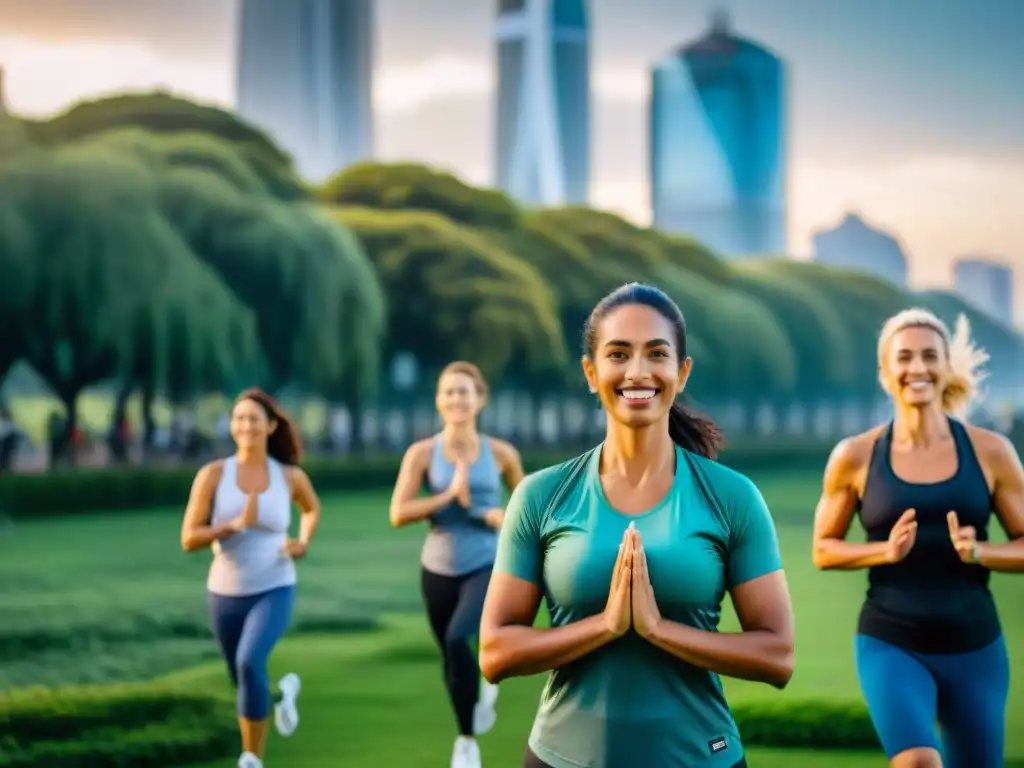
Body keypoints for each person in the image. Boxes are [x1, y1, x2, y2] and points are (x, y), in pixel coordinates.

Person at [479, 283, 795, 768]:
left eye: (656, 354)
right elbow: (496, 652)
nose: (638, 372)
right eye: (618, 354)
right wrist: (605, 626)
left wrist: (657, 629)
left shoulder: (733, 498)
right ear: (591, 372)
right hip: (562, 758)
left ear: (681, 372)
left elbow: (777, 657)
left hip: (700, 758)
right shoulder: (541, 497)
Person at [811, 309, 1024, 768]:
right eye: (904, 357)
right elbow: (823, 548)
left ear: (947, 366)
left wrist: (979, 552)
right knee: (918, 762)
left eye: (930, 356)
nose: (917, 368)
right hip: (892, 642)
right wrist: (884, 552)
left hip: (976, 647)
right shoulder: (855, 456)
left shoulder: (991, 452)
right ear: (886, 373)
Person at [389, 361, 526, 768]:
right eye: (448, 392)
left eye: (463, 392)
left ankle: (466, 745)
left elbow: (527, 509)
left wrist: (493, 515)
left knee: (457, 639)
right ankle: (466, 727)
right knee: (450, 658)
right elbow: (398, 512)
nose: (456, 399)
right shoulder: (422, 453)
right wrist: (447, 497)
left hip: (486, 562)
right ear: (438, 401)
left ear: (479, 398)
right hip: (437, 567)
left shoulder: (500, 453)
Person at [181, 388, 322, 768]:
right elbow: (189, 537)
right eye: (239, 418)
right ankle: (283, 695)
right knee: (243, 676)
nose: (246, 425)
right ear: (231, 426)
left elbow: (311, 510)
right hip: (224, 591)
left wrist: (302, 542)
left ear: (271, 426)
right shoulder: (213, 475)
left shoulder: (289, 477)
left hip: (274, 585)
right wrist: (226, 528)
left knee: (248, 662)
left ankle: (251, 758)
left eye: (254, 419)